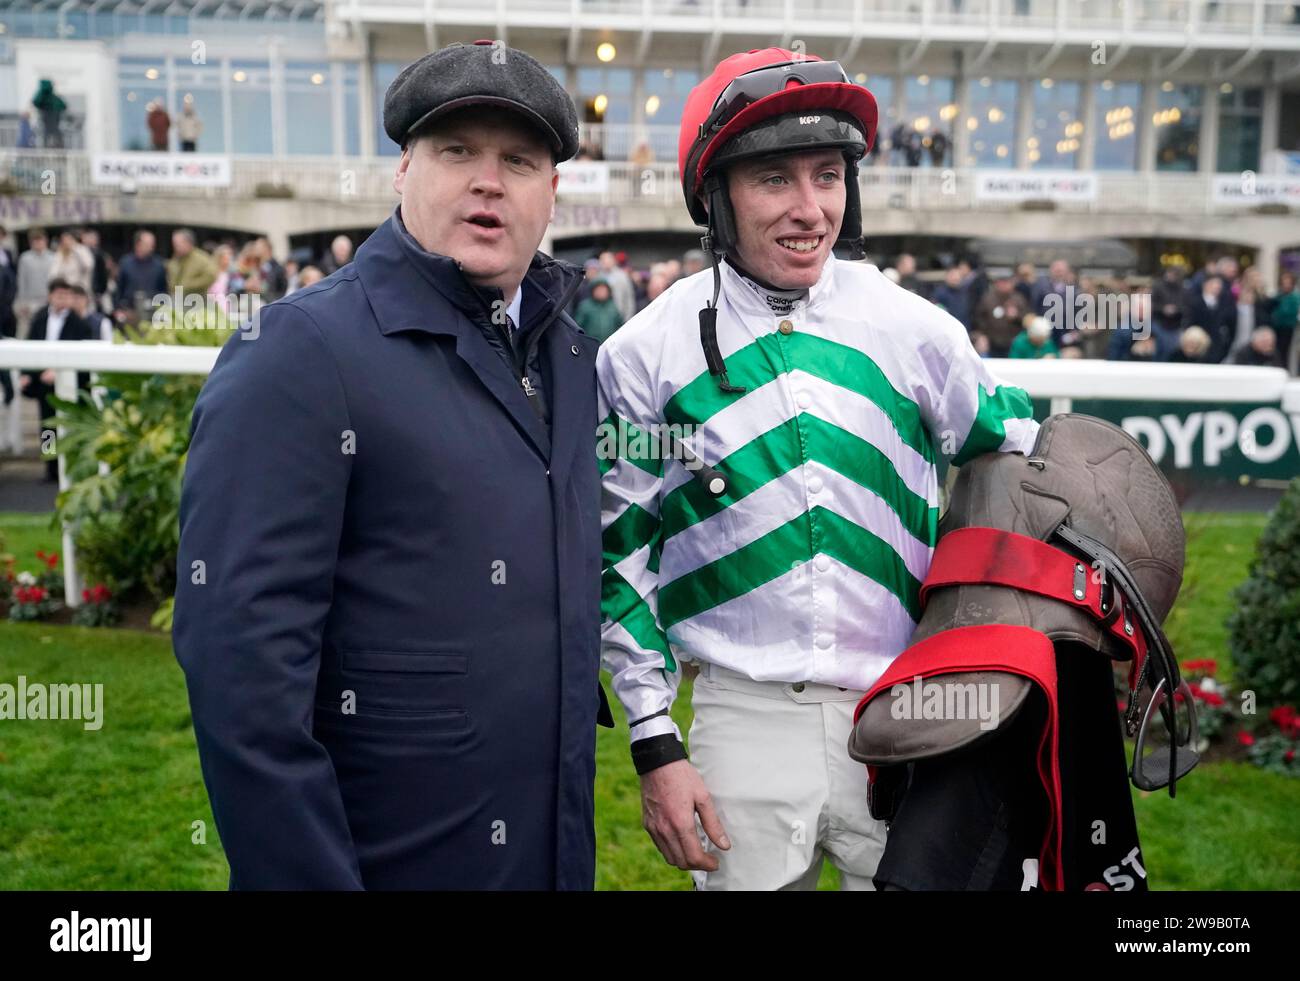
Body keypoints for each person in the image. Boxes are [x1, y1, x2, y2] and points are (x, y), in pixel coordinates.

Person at [598, 47, 1039, 891]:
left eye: (828, 176)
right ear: (715, 197)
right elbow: (617, 559)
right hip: (741, 716)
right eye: (774, 179)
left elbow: (1019, 451)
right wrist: (654, 740)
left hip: (911, 707)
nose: (810, 210)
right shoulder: (641, 356)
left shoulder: (917, 331)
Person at [173, 39, 608, 890]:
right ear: (403, 169)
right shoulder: (300, 350)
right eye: (457, 151)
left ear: (552, 193)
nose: (489, 181)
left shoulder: (569, 355)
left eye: (519, 161)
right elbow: (242, 678)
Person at [18, 279, 94, 481]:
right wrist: (28, 374)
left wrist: (59, 372)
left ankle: (69, 466)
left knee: (68, 426)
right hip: (44, 384)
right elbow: (31, 346)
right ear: (50, 296)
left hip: (70, 385)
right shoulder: (40, 319)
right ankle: (50, 466)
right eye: (59, 295)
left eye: (67, 296)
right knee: (47, 427)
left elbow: (83, 357)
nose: (63, 300)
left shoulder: (79, 324)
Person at [114, 230, 168, 328]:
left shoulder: (159, 265)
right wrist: (118, 309)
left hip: (152, 312)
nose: (151, 247)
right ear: (138, 244)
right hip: (129, 311)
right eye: (148, 244)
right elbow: (119, 288)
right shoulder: (126, 263)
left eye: (152, 244)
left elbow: (163, 290)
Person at [16, 229, 56, 339]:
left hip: (47, 300)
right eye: (35, 241)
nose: (38, 244)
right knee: (25, 330)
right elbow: (22, 281)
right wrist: (22, 302)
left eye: (40, 240)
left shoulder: (53, 258)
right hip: (30, 301)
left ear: (45, 241)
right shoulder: (25, 258)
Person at [166, 228, 217, 299]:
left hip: (196, 300)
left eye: (178, 244)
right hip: (177, 300)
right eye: (174, 244)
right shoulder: (175, 259)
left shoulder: (201, 259)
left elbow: (211, 276)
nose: (175, 247)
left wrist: (187, 286)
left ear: (188, 243)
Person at [573, 277, 623, 342]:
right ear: (593, 291)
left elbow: (620, 326)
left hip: (609, 344)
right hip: (590, 344)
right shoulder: (585, 306)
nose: (601, 292)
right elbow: (578, 327)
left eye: (603, 289)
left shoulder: (613, 307)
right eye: (598, 289)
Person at [49, 229, 94, 295]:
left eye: (68, 239)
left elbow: (88, 266)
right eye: (63, 240)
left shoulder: (82, 249)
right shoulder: (60, 253)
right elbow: (54, 272)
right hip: (66, 289)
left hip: (81, 288)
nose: (66, 242)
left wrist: (74, 249)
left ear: (73, 239)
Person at [32, 79, 66, 148]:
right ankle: (50, 146)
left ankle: (57, 145)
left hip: (52, 120)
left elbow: (63, 106)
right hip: (48, 121)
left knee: (52, 134)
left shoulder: (52, 98)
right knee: (48, 134)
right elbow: (36, 102)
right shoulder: (43, 97)